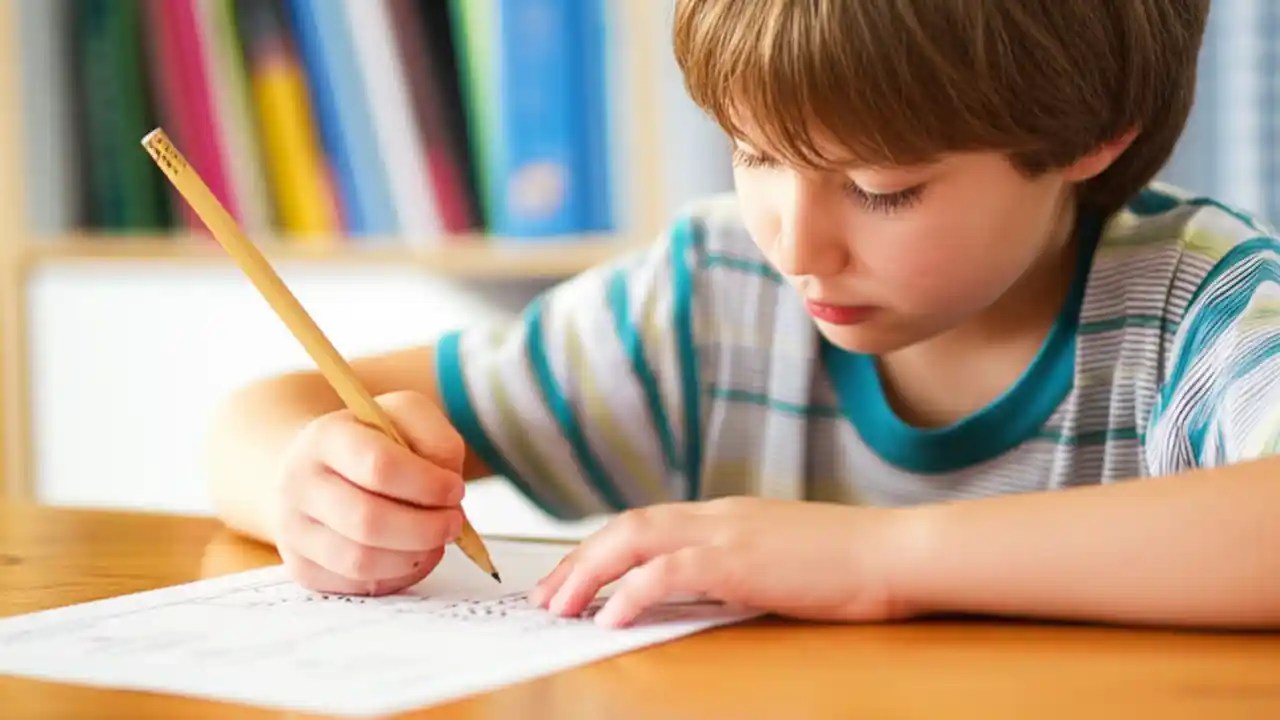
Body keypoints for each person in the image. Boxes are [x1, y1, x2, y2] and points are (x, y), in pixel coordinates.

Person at [208, 0, 1280, 629]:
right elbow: (268, 411)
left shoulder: (1192, 301)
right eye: (756, 153)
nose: (793, 244)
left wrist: (875, 560)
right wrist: (316, 486)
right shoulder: (707, 297)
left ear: (1093, 134)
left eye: (879, 187)